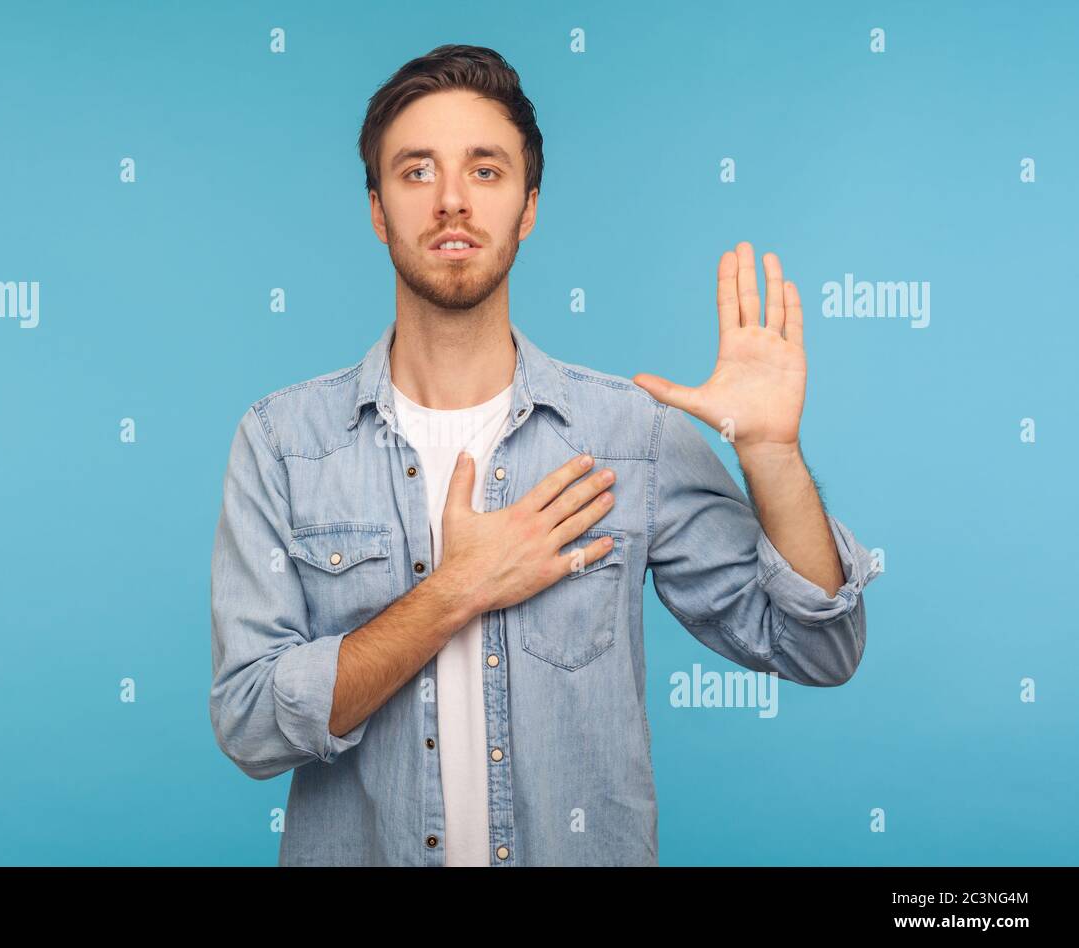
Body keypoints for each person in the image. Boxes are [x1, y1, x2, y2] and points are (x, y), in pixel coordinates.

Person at [209, 44, 879, 866]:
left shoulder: (630, 437)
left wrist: (772, 453)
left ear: (528, 206)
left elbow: (819, 648)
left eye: (485, 172)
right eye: (417, 172)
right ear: (378, 211)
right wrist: (453, 593)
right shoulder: (283, 443)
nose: (452, 201)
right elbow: (248, 724)